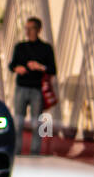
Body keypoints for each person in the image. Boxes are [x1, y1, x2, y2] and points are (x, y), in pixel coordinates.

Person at [8, 17, 57, 155]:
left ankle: (35, 151)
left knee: (37, 123)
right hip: (22, 86)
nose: (28, 31)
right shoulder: (20, 47)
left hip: (37, 88)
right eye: (26, 28)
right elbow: (12, 65)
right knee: (18, 122)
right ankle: (17, 151)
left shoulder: (46, 48)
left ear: (38, 30)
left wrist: (40, 67)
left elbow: (53, 69)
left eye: (31, 28)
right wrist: (17, 68)